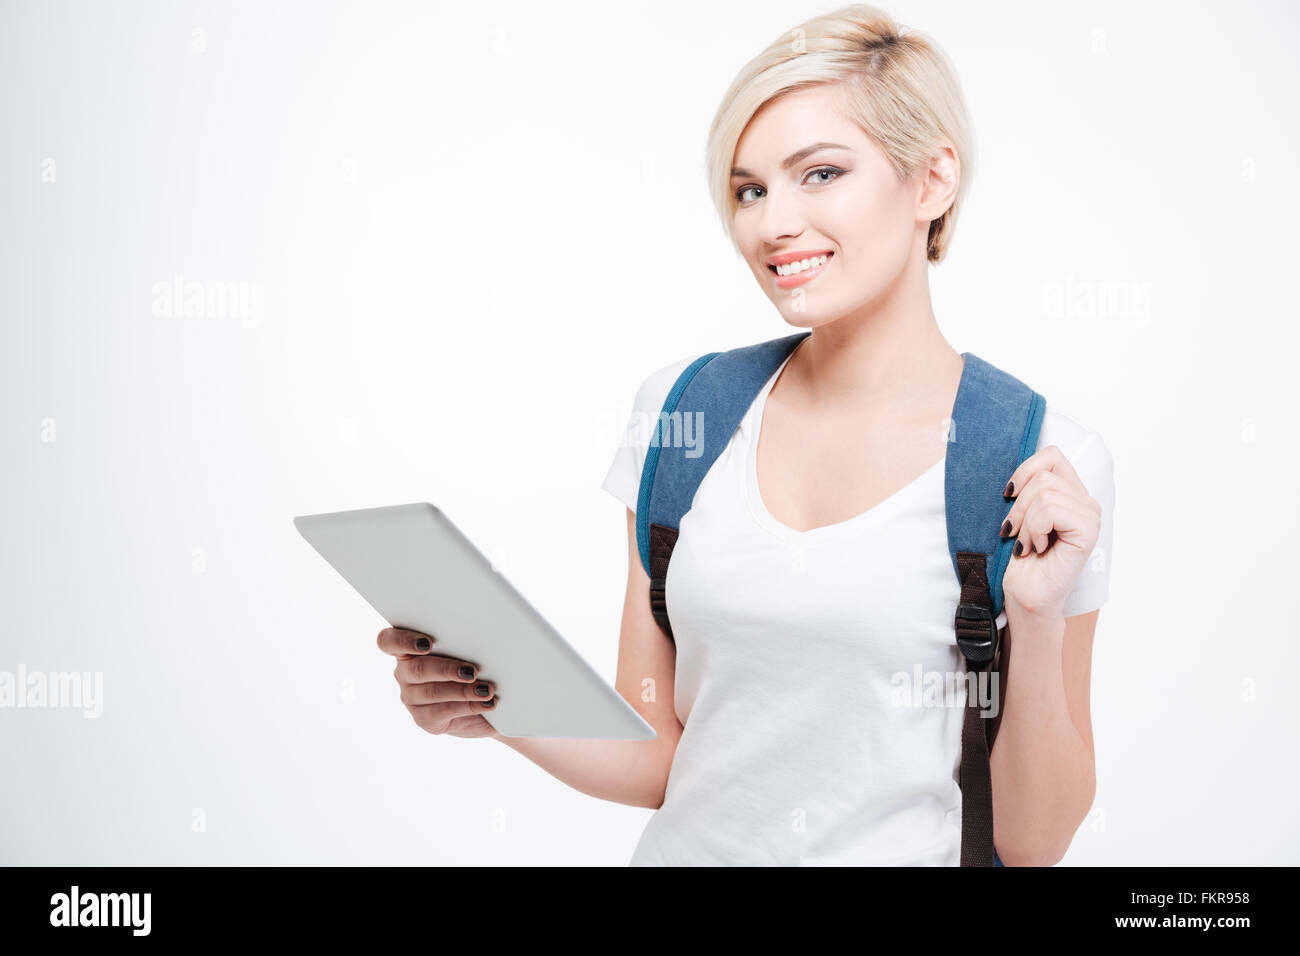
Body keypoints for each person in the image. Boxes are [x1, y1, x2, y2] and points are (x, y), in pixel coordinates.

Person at [376, 3, 1114, 866]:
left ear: (932, 181)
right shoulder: (685, 414)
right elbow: (660, 752)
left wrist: (1038, 611)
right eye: (749, 189)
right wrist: (496, 704)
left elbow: (1034, 842)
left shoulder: (1039, 457)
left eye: (821, 174)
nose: (772, 225)